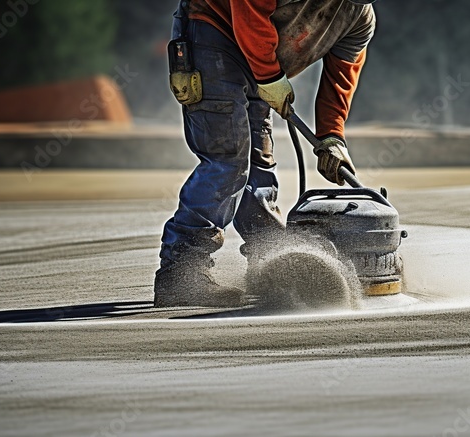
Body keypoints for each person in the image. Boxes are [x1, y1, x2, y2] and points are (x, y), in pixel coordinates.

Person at [155, 0, 375, 307]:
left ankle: (271, 266)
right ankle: (181, 273)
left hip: (263, 60)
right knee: (228, 157)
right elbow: (248, 10)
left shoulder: (358, 18)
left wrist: (332, 136)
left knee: (258, 161)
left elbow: (340, 77)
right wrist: (269, 77)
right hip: (215, 32)